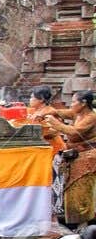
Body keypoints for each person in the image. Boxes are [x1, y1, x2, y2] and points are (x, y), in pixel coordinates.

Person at [44, 92, 96, 223]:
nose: (71, 105)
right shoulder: (77, 114)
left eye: (74, 102)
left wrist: (55, 123)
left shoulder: (91, 117)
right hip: (73, 157)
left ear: (83, 103)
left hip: (87, 158)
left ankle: (84, 223)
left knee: (81, 192)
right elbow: (60, 112)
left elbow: (74, 131)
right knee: (70, 191)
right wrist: (45, 113)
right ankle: (73, 222)